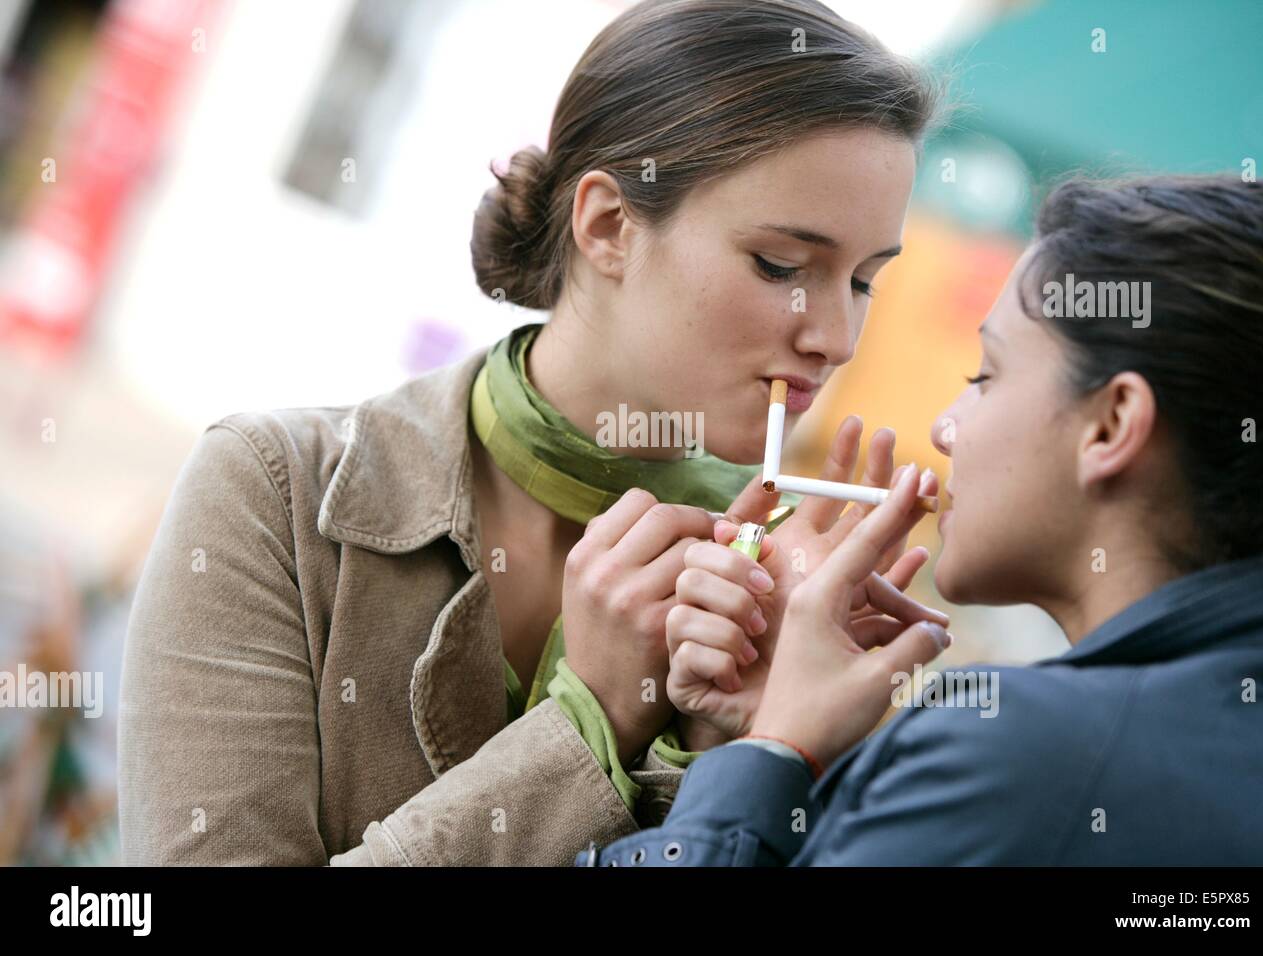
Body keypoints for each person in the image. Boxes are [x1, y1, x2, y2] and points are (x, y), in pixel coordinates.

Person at [117, 0, 949, 865]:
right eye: (782, 265)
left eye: (862, 281)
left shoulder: (790, 603)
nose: (836, 338)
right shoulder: (274, 493)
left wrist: (738, 754)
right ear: (607, 226)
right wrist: (592, 715)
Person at [584, 174, 1263, 866]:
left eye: (984, 377)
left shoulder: (1016, 753)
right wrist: (759, 733)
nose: (945, 428)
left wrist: (775, 752)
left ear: (1111, 425)